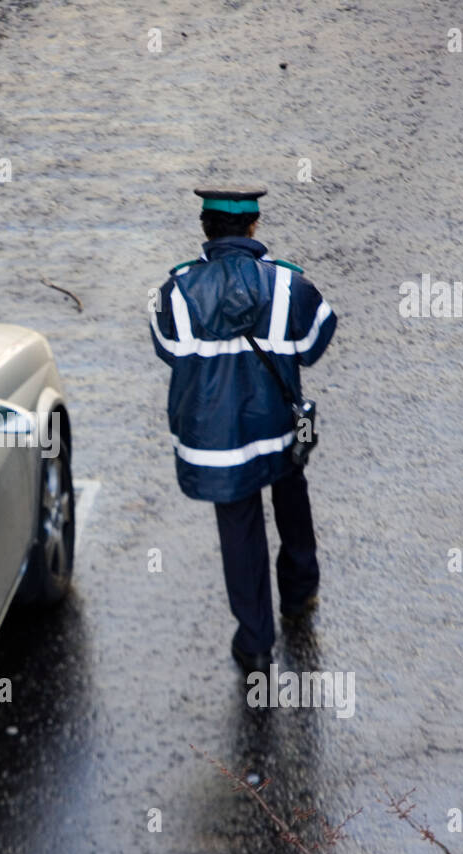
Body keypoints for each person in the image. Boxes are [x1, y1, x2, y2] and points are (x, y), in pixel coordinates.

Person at [149, 186, 337, 674]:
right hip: (276, 426)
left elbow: (170, 350)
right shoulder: (289, 286)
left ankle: (255, 643)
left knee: (239, 528)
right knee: (291, 495)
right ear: (254, 227)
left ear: (205, 229)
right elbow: (315, 344)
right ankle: (299, 595)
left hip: (217, 443)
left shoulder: (175, 292)